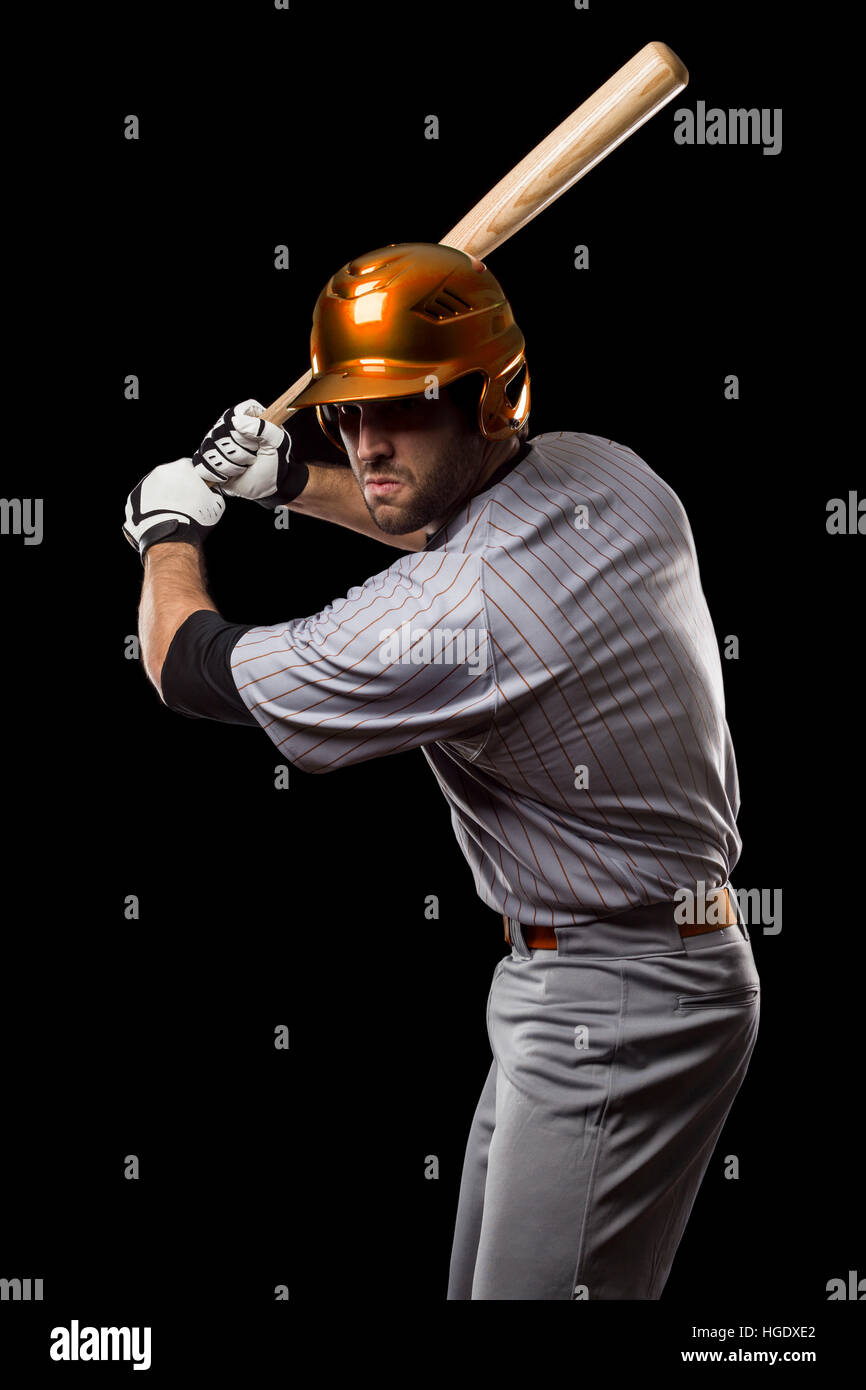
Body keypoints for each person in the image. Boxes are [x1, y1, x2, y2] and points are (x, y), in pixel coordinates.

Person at [123, 242, 760, 1300]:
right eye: (346, 412)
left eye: (401, 409)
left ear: (491, 399)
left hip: (618, 993)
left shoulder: (456, 611)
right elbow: (436, 524)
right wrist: (286, 480)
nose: (366, 442)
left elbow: (188, 668)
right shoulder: (606, 472)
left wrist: (167, 530)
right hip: (619, 971)